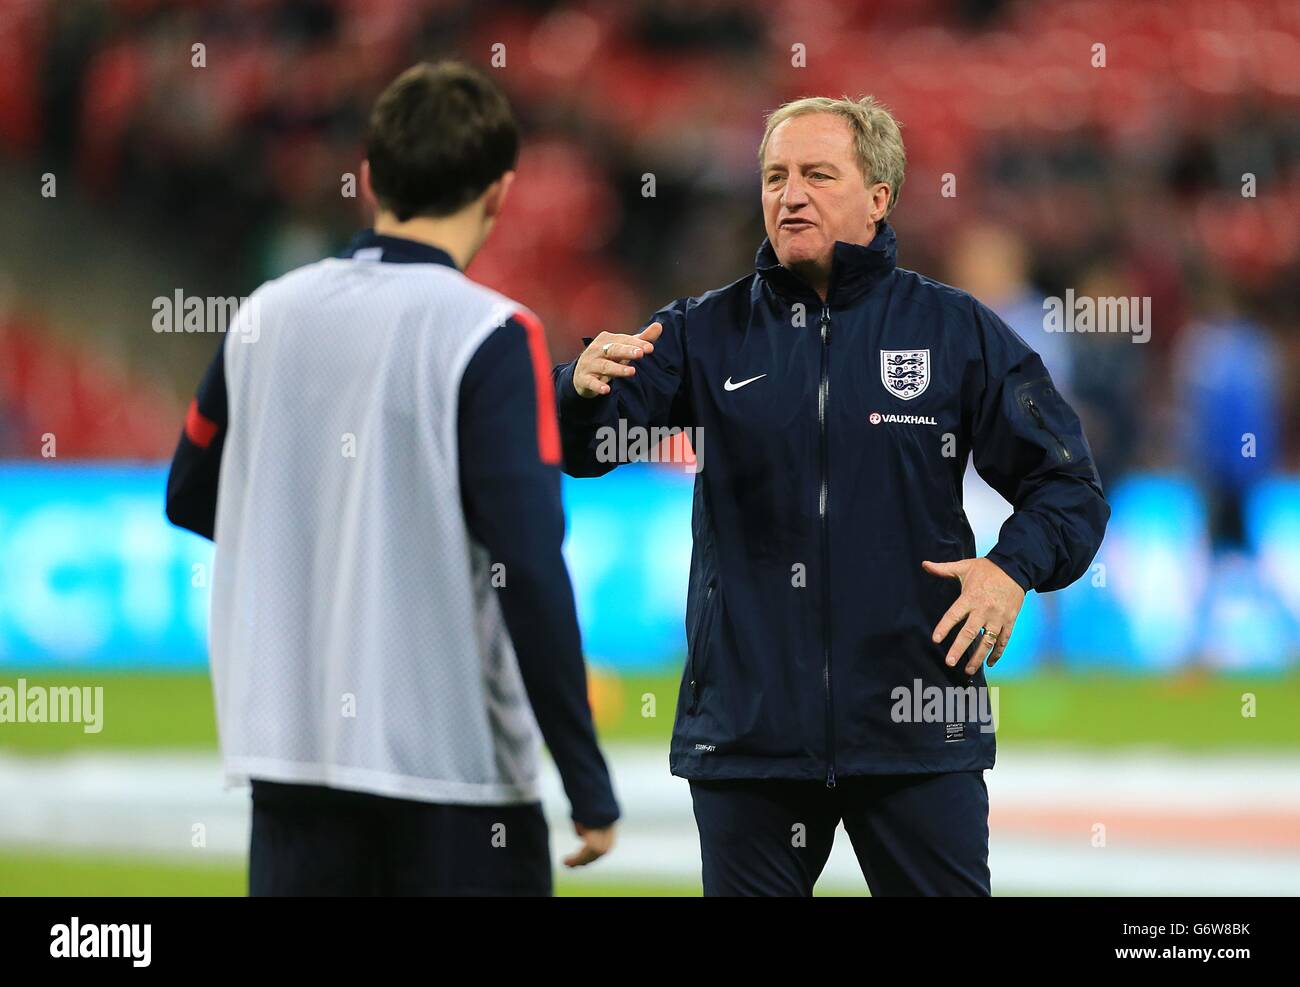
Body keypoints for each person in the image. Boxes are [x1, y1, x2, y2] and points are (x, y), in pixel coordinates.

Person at [553, 96, 1109, 896]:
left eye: (817, 174)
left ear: (878, 196)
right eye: (776, 176)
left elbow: (1069, 485)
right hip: (750, 739)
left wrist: (1010, 568)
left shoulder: (956, 332)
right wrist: (577, 390)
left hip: (917, 730)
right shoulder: (704, 334)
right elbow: (589, 447)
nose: (791, 194)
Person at [165, 60, 618, 896]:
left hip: (291, 765)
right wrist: (587, 781)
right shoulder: (491, 332)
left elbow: (190, 493)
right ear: (499, 192)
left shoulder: (267, 312)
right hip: (454, 781)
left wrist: (327, 534)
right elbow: (529, 564)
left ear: (369, 178)